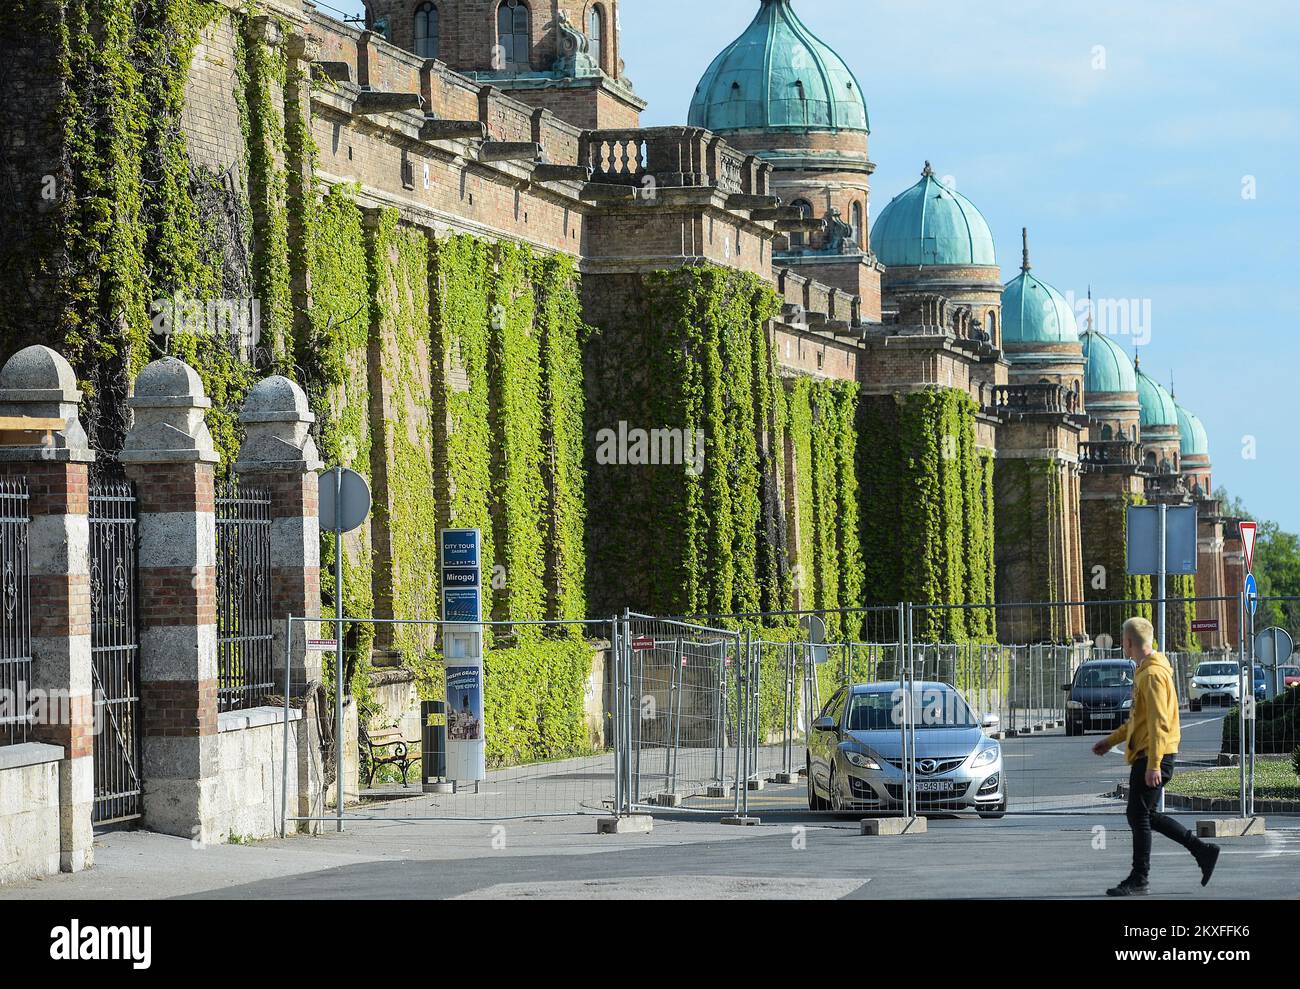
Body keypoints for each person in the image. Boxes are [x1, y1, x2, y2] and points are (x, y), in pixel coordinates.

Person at [1091, 616, 1221, 896]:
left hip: (1154, 754)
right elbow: (1139, 720)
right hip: (1150, 752)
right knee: (1144, 814)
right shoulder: (1146, 671)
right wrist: (1110, 740)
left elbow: (1159, 723)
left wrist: (1153, 765)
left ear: (1127, 643)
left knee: (1138, 815)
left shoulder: (1151, 675)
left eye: (1123, 642)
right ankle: (1202, 851)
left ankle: (1141, 877)